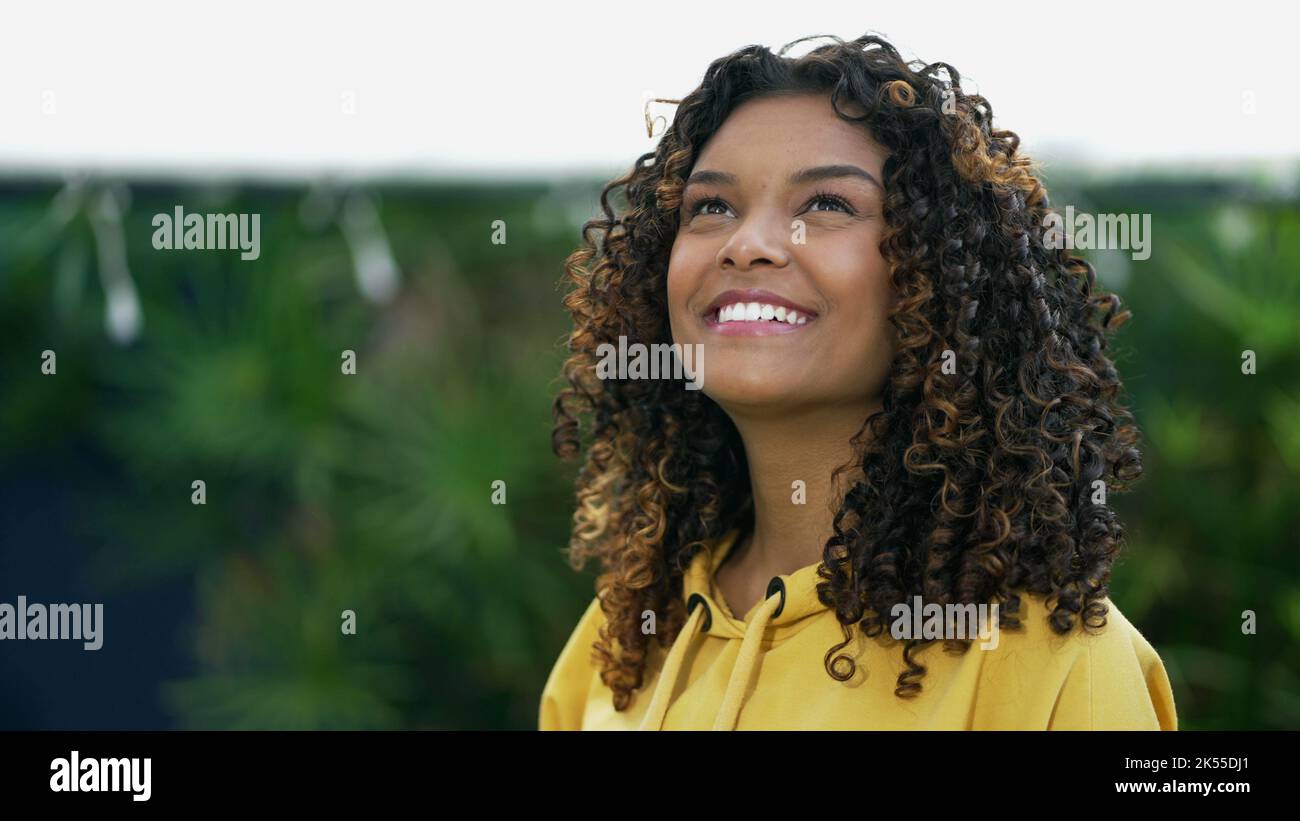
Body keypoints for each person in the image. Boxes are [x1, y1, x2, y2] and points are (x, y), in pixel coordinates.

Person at [540, 32, 1178, 730]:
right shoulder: (621, 639)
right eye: (711, 207)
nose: (746, 243)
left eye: (826, 205)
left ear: (938, 279)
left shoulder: (1059, 667)